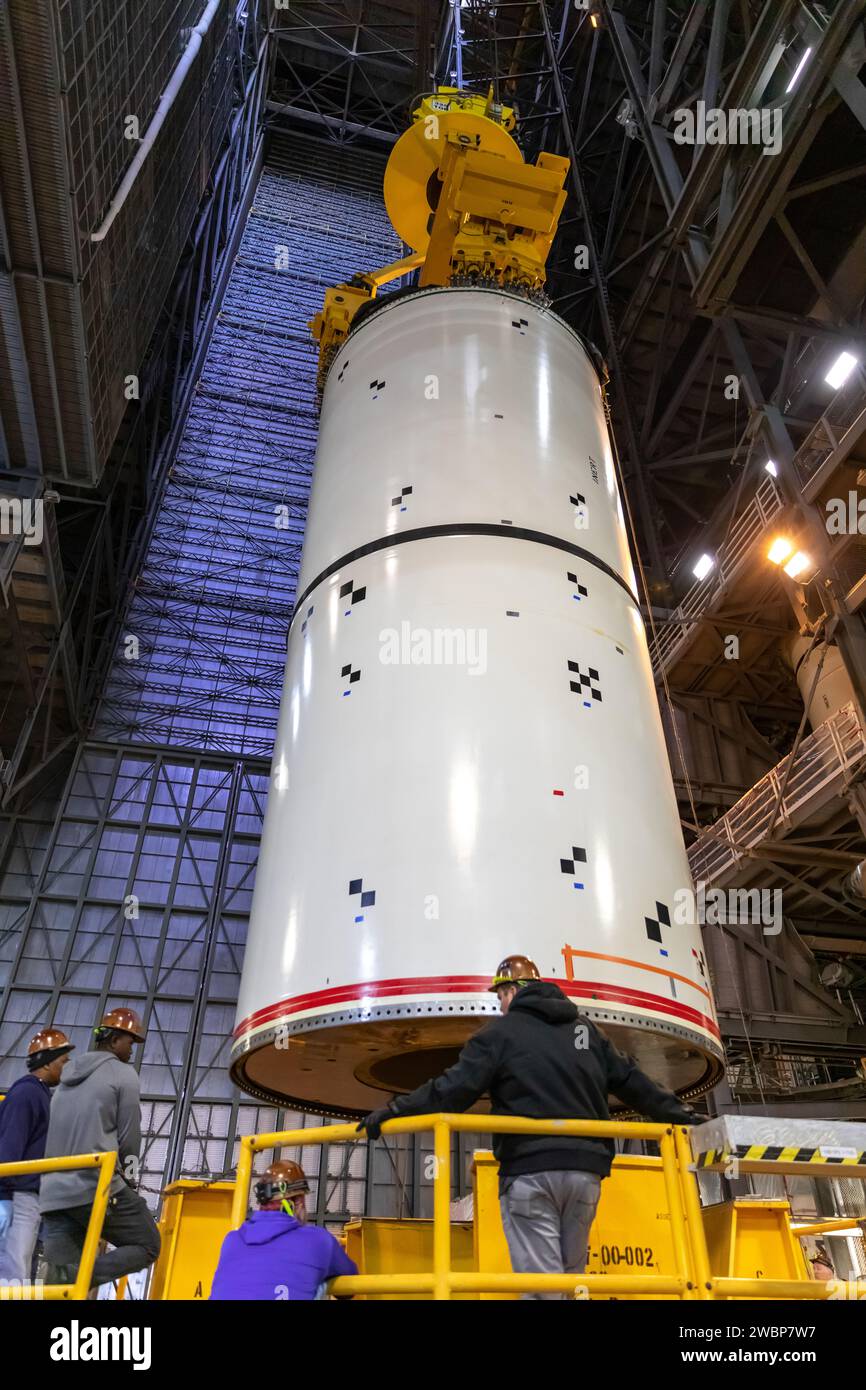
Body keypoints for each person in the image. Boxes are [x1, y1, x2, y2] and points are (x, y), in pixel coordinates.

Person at [358, 954, 702, 1300]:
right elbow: (631, 1080)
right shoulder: (585, 1029)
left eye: (499, 998)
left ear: (510, 991)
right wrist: (681, 1115)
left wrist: (395, 1110)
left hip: (530, 1171)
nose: (499, 1006)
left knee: (543, 1292)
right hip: (585, 1175)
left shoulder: (499, 1034)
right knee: (571, 1285)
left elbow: (452, 1090)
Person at [39, 1006, 160, 1288]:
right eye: (130, 1042)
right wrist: (129, 1177)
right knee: (148, 1243)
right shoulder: (123, 1074)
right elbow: (129, 1136)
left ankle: (65, 1279)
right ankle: (77, 1277)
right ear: (116, 1039)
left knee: (59, 1286)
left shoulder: (66, 1075)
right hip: (93, 1186)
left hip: (52, 1192)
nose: (132, 1050)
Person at [210, 1160, 358, 1300]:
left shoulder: (231, 1240)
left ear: (262, 1203)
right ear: (298, 1201)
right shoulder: (318, 1241)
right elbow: (350, 1285)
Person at [0, 1028, 75, 1282]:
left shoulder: (40, 1094)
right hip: (17, 1195)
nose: (66, 1067)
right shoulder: (27, 1093)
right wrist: (5, 1200)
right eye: (63, 1061)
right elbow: (8, 1150)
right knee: (13, 1271)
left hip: (27, 1197)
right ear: (48, 1061)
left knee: (20, 1270)